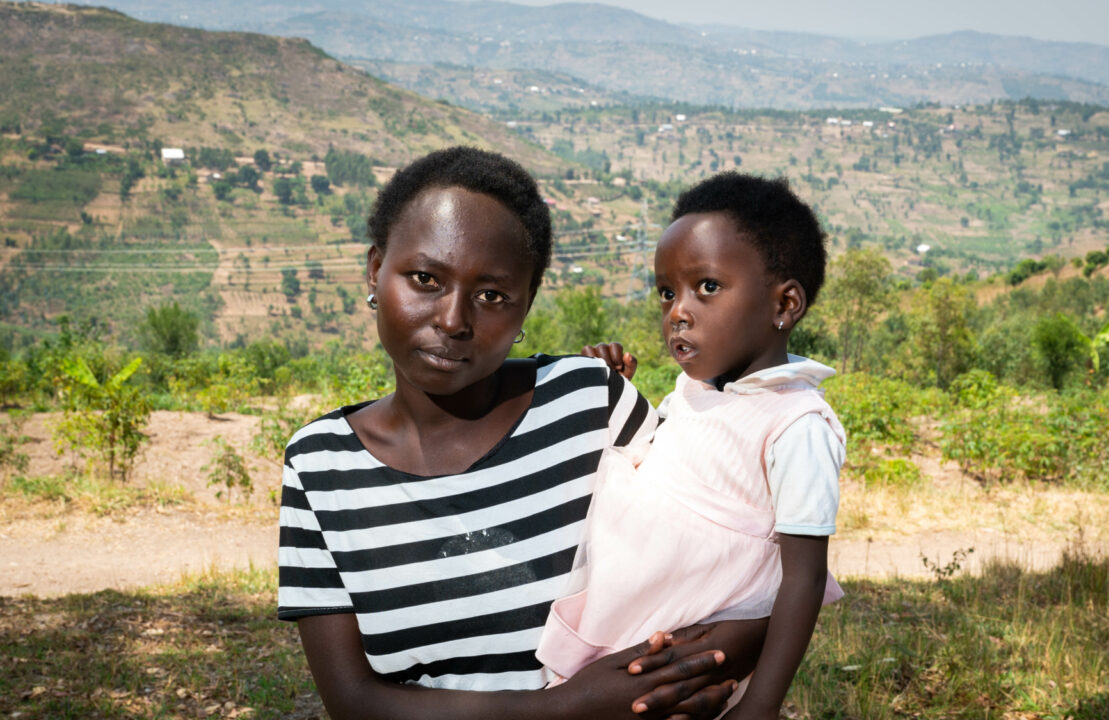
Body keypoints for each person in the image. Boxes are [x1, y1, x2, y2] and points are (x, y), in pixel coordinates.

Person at [276, 147, 766, 720]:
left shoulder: (590, 403)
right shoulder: (320, 467)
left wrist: (678, 680)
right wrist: (572, 707)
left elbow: (744, 562)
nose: (454, 319)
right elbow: (354, 702)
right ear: (374, 271)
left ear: (526, 302)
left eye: (492, 296)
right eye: (425, 278)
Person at [536, 172, 846, 720]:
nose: (678, 311)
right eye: (667, 292)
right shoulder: (694, 390)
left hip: (682, 648)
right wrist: (616, 385)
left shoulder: (797, 425)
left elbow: (804, 578)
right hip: (622, 619)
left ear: (785, 304)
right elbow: (672, 468)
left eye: (707, 287)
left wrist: (762, 705)